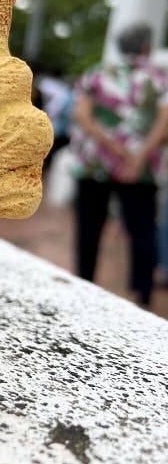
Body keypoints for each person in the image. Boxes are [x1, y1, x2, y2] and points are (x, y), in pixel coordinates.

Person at [71, 22, 168, 306]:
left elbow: (83, 116)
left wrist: (113, 148)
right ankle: (143, 293)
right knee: (142, 231)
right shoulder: (159, 79)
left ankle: (84, 284)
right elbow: (164, 125)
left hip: (94, 165)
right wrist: (136, 157)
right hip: (140, 169)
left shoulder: (96, 73)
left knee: (89, 228)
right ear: (146, 46)